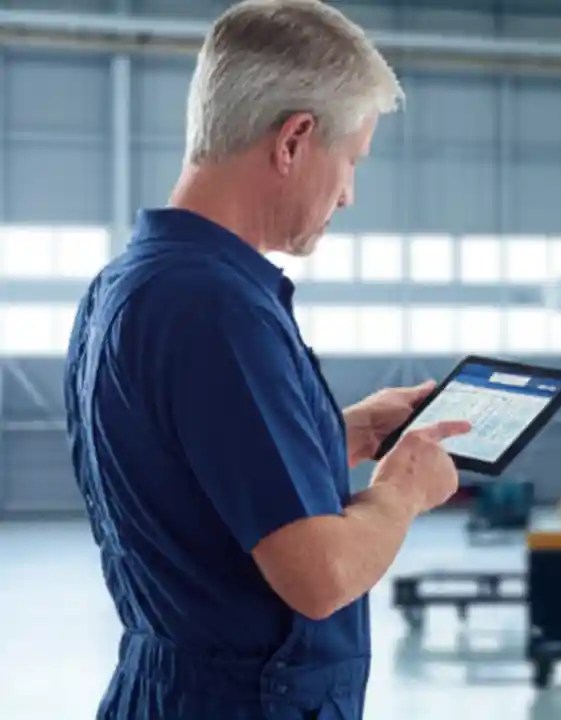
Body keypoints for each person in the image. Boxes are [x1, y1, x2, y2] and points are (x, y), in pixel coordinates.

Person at [62, 1, 469, 717]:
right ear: (294, 141)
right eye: (351, 162)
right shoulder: (219, 308)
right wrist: (402, 489)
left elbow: (192, 474)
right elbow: (320, 576)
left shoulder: (129, 284)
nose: (348, 194)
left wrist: (339, 435)